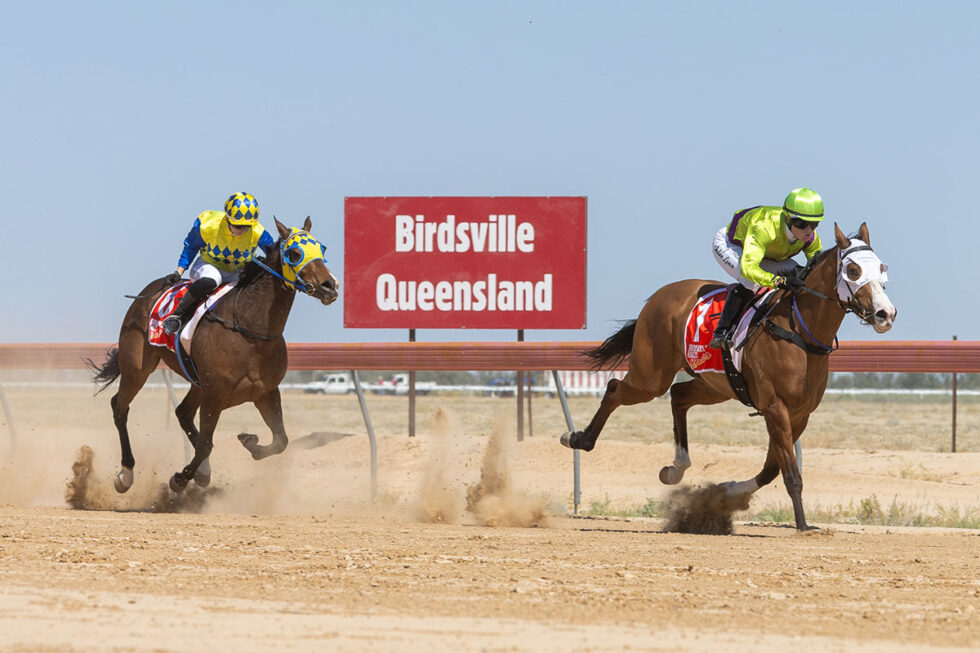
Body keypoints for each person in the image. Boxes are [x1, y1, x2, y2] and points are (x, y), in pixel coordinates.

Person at [708, 187, 825, 350]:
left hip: (765, 254)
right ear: (788, 218)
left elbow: (816, 268)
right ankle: (722, 332)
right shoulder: (764, 227)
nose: (808, 230)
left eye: (814, 224)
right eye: (801, 223)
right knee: (750, 281)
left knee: (799, 273)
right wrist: (779, 281)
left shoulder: (811, 238)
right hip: (732, 246)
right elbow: (749, 268)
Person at [161, 192, 275, 335]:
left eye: (247, 226)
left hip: (237, 272)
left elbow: (274, 254)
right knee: (213, 280)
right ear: (227, 219)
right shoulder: (208, 225)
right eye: (238, 226)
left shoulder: (258, 232)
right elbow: (191, 246)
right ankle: (176, 316)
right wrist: (179, 271)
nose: (242, 231)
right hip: (208, 266)